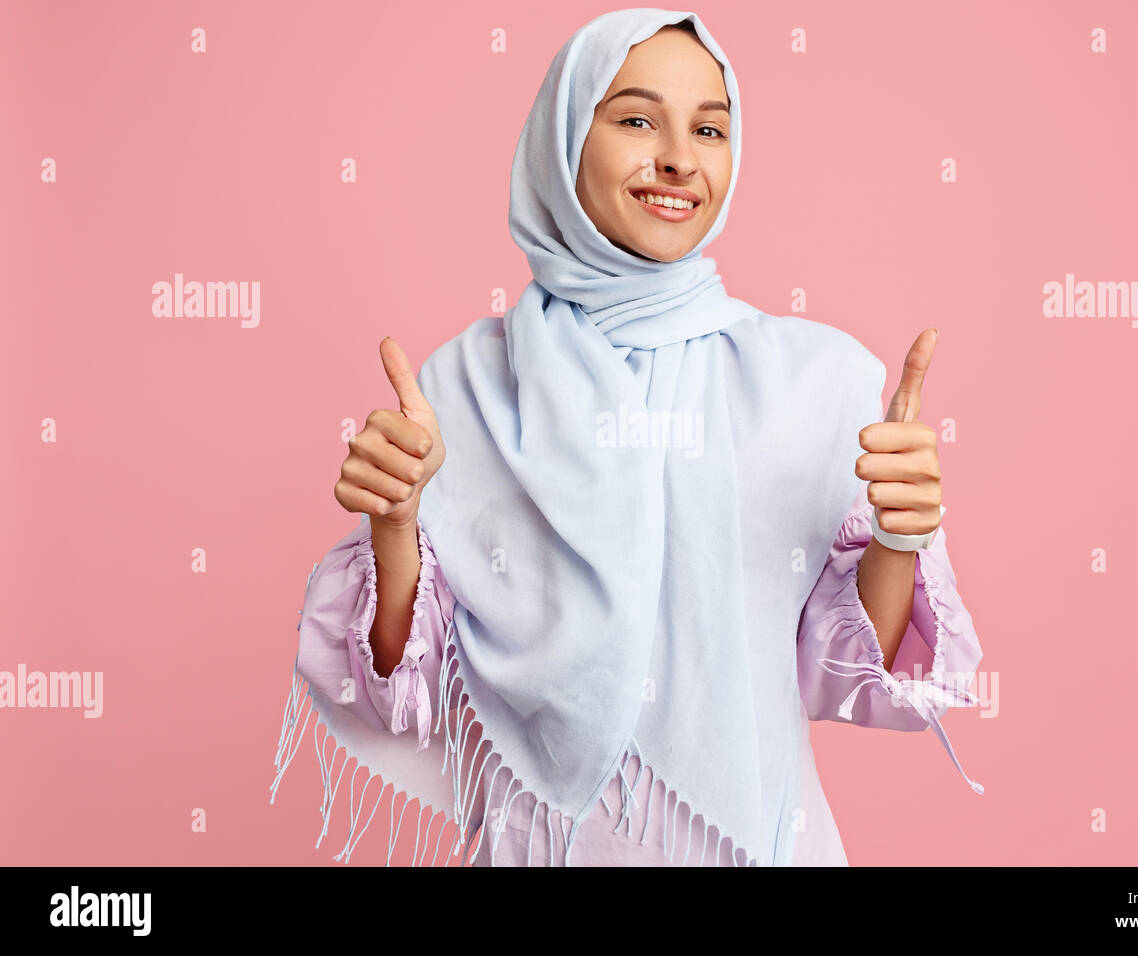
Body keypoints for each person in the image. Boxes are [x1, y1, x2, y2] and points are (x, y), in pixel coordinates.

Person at [270, 8, 984, 867]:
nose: (680, 157)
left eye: (710, 128)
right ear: (564, 139)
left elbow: (847, 683)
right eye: (638, 119)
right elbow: (398, 694)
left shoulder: (813, 381)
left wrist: (899, 539)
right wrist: (395, 528)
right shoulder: (466, 387)